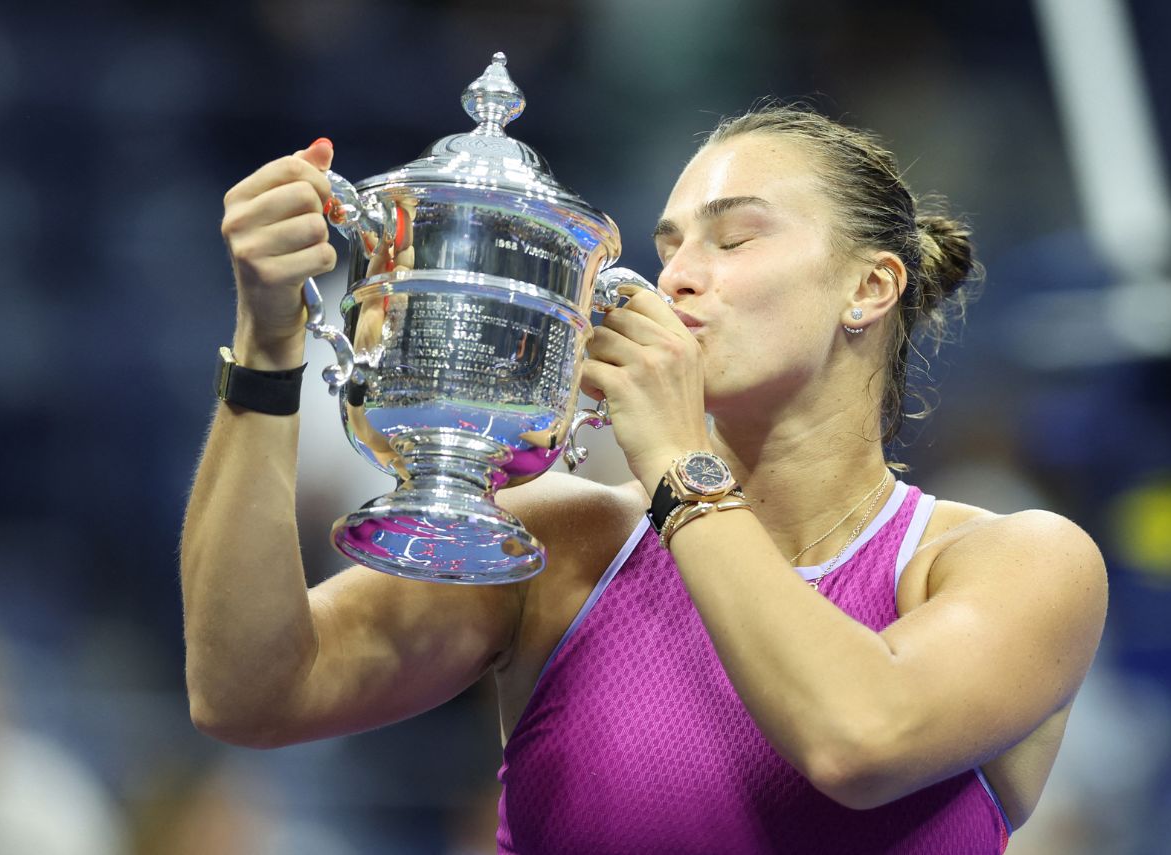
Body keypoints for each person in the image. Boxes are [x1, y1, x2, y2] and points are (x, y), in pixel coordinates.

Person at [183, 105, 1108, 854]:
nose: (677, 280)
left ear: (869, 288)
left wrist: (673, 457)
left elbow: (857, 737)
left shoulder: (1020, 562)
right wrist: (270, 348)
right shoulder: (560, 547)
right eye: (670, 248)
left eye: (735, 240)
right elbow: (247, 690)